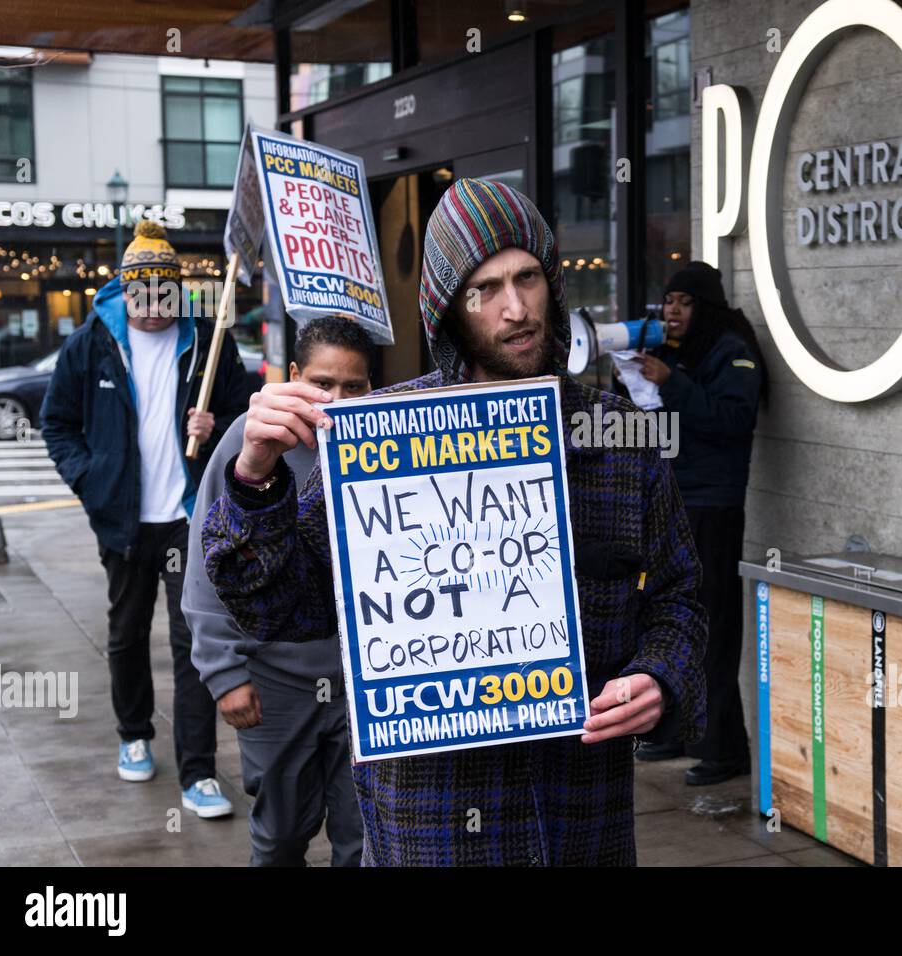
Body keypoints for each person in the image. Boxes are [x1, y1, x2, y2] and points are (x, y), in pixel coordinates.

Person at [201, 178, 707, 865]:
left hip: (581, 813)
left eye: (528, 277)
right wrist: (253, 480)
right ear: (448, 307)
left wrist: (660, 675)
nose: (516, 308)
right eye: (485, 289)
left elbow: (680, 597)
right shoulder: (384, 440)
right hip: (431, 821)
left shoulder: (617, 434)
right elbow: (284, 610)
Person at [41, 220, 253, 817]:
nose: (156, 308)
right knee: (126, 633)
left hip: (189, 515)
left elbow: (243, 420)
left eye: (167, 295)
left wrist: (215, 434)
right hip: (124, 519)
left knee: (194, 644)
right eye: (144, 295)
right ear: (125, 289)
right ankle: (134, 732)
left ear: (180, 292)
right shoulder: (91, 344)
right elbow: (57, 424)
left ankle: (198, 774)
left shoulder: (210, 343)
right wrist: (91, 482)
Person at [186, 315, 374, 865]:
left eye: (353, 386)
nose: (335, 399)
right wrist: (224, 674)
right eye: (322, 384)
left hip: (367, 686)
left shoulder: (391, 439)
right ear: (293, 375)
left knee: (363, 837)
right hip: (274, 682)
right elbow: (205, 563)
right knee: (282, 835)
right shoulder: (250, 441)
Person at [634, 260, 767, 786]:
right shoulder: (677, 355)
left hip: (713, 508)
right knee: (669, 622)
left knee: (711, 628)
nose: (672, 311)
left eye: (685, 302)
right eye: (668, 301)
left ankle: (723, 747)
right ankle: (671, 730)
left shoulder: (732, 354)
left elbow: (731, 421)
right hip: (676, 502)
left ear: (705, 308)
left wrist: (675, 383)